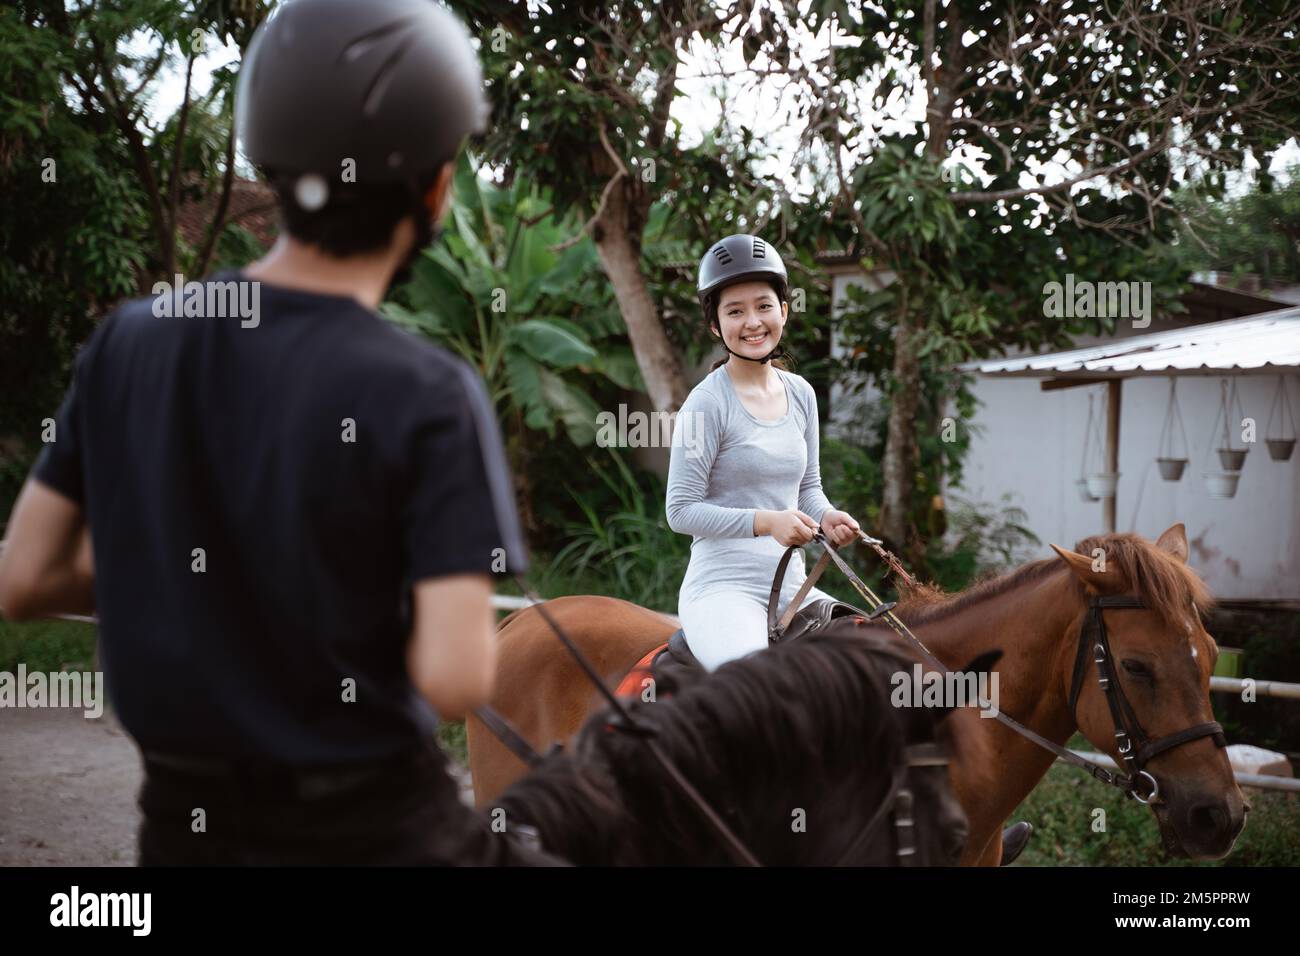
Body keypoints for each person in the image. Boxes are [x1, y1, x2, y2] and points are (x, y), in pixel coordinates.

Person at [0, 0, 561, 866]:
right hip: (381, 837)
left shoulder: (131, 342)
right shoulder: (428, 391)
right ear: (437, 187)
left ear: (270, 151)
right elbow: (455, 675)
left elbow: (25, 575)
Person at [665, 234, 863, 671]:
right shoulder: (707, 403)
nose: (753, 321)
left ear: (784, 311)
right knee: (764, 695)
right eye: (735, 311)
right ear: (716, 325)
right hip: (722, 592)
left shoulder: (802, 394)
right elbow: (679, 511)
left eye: (763, 305)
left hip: (793, 588)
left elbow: (808, 488)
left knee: (872, 659)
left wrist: (827, 516)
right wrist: (766, 522)